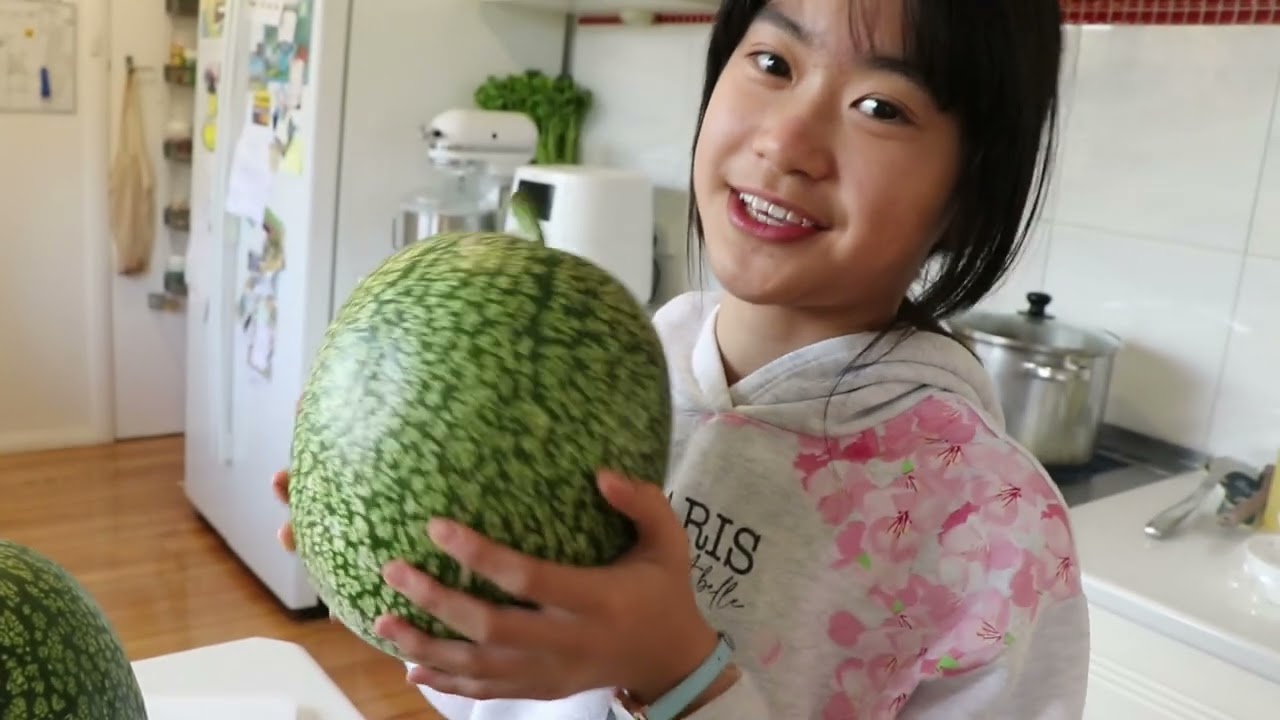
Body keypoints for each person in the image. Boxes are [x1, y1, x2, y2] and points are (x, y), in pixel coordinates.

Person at [271, 0, 1089, 717]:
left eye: (880, 105)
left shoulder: (996, 529)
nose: (786, 142)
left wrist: (679, 678)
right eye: (772, 62)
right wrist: (424, 593)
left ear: (969, 191)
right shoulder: (603, 375)